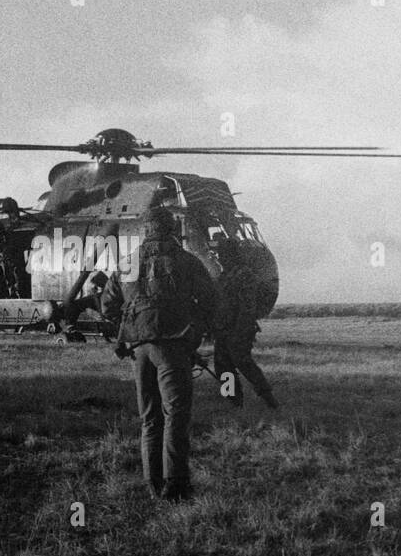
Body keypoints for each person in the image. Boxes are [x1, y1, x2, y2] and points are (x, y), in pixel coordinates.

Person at [101, 208, 218, 502]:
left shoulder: (127, 263)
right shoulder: (186, 261)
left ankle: (152, 483)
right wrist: (195, 329)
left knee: (150, 417)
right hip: (173, 346)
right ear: (171, 229)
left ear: (146, 230)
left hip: (139, 350)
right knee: (175, 415)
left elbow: (107, 305)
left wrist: (129, 330)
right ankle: (175, 483)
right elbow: (211, 301)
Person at [212, 236, 278, 409]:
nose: (219, 257)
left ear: (231, 254)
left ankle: (268, 399)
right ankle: (234, 401)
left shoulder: (244, 275)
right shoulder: (226, 275)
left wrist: (240, 332)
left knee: (244, 364)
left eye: (222, 254)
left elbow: (247, 308)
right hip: (224, 329)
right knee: (223, 368)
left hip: (238, 329)